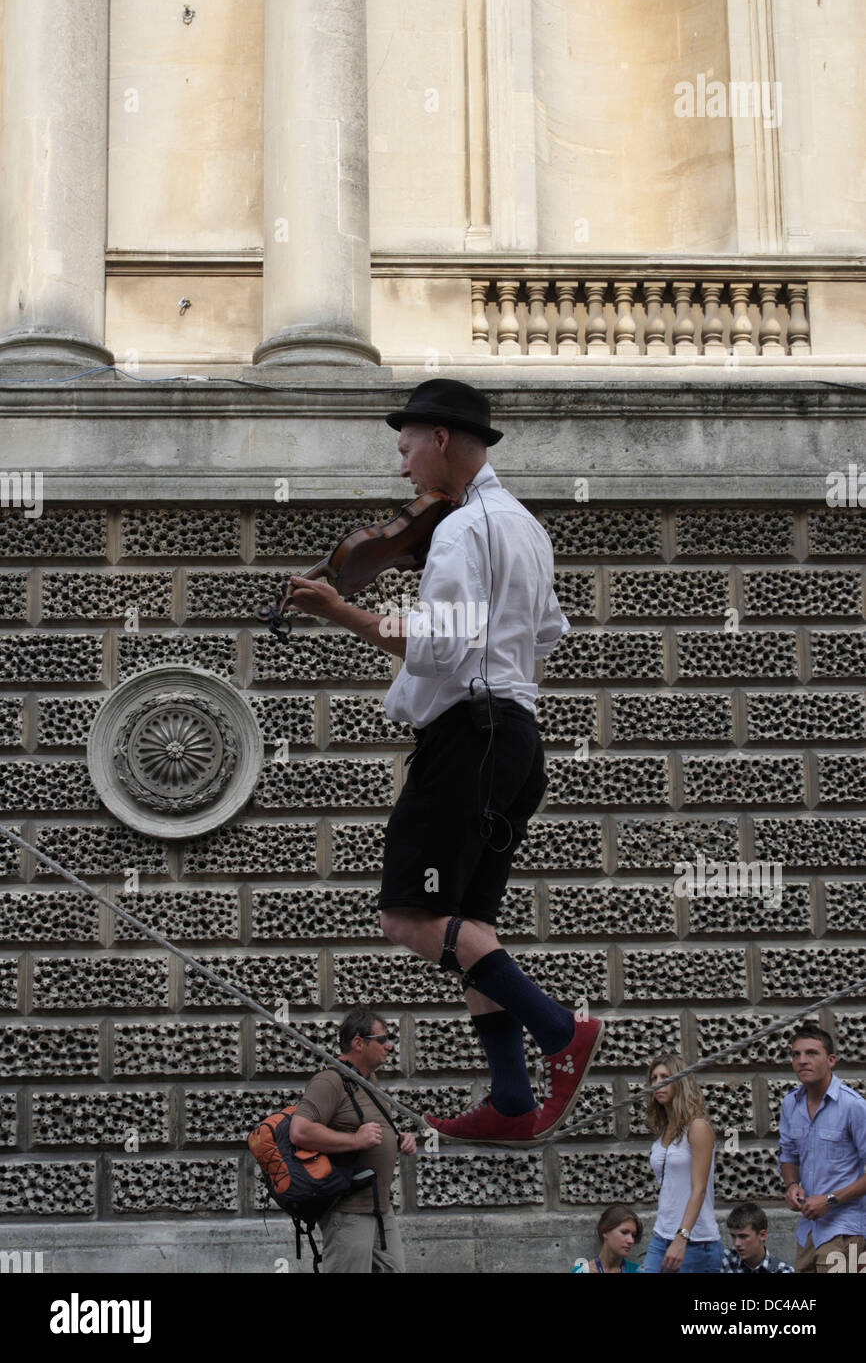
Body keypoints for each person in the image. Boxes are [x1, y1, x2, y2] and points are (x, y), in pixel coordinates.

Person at [286, 379, 603, 1145]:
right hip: (516, 736)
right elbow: (548, 629)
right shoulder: (524, 525)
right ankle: (512, 1098)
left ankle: (560, 1031)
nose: (400, 472)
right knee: (470, 927)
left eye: (403, 449)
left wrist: (339, 612)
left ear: (437, 439)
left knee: (408, 915)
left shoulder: (462, 531)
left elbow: (437, 646)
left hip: (470, 737)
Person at [290, 1005, 416, 1273]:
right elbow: (299, 1130)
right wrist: (356, 1141)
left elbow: (371, 1129)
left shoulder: (370, 1082)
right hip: (348, 1211)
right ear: (358, 1043)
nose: (389, 1046)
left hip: (381, 1208)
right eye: (382, 1039)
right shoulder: (329, 1081)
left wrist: (398, 1139)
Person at [779, 1024, 866, 1274]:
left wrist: (830, 1200)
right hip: (809, 1230)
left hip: (846, 1230)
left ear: (831, 1060)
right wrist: (791, 1185)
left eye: (811, 1053)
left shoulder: (854, 1107)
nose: (802, 1061)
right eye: (796, 1054)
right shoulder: (790, 1104)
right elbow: (787, 1155)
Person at [642, 1049, 722, 1274]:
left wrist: (681, 1238)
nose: (658, 1083)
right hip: (661, 1235)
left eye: (665, 1078)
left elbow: (699, 1190)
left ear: (680, 1081)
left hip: (695, 1241)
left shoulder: (697, 1128)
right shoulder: (664, 1131)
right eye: (654, 1078)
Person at [721, 1202, 793, 1273]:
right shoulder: (723, 1260)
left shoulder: (782, 1270)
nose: (737, 1243)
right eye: (733, 1236)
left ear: (762, 1235)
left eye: (743, 1236)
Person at [571, 1203, 643, 1274]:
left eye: (633, 1235)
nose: (631, 1241)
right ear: (605, 1231)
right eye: (624, 1232)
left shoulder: (638, 1271)